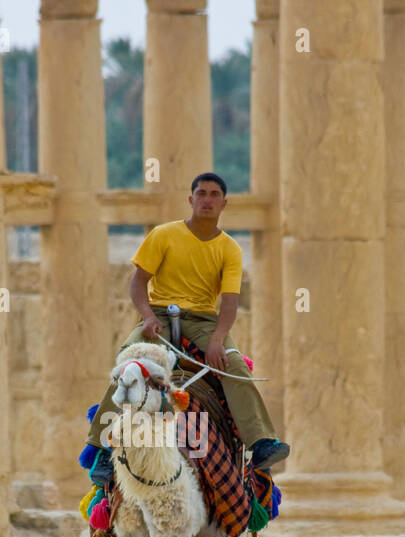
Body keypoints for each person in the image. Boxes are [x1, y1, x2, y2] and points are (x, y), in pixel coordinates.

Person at [84, 172, 289, 484]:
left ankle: (260, 442)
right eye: (201, 193)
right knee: (130, 364)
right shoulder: (163, 235)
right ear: (191, 199)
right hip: (158, 316)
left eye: (214, 194)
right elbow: (138, 282)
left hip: (204, 319)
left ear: (224, 202)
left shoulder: (229, 249)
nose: (207, 199)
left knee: (234, 365)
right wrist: (147, 316)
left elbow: (230, 302)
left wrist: (218, 339)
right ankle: (101, 449)